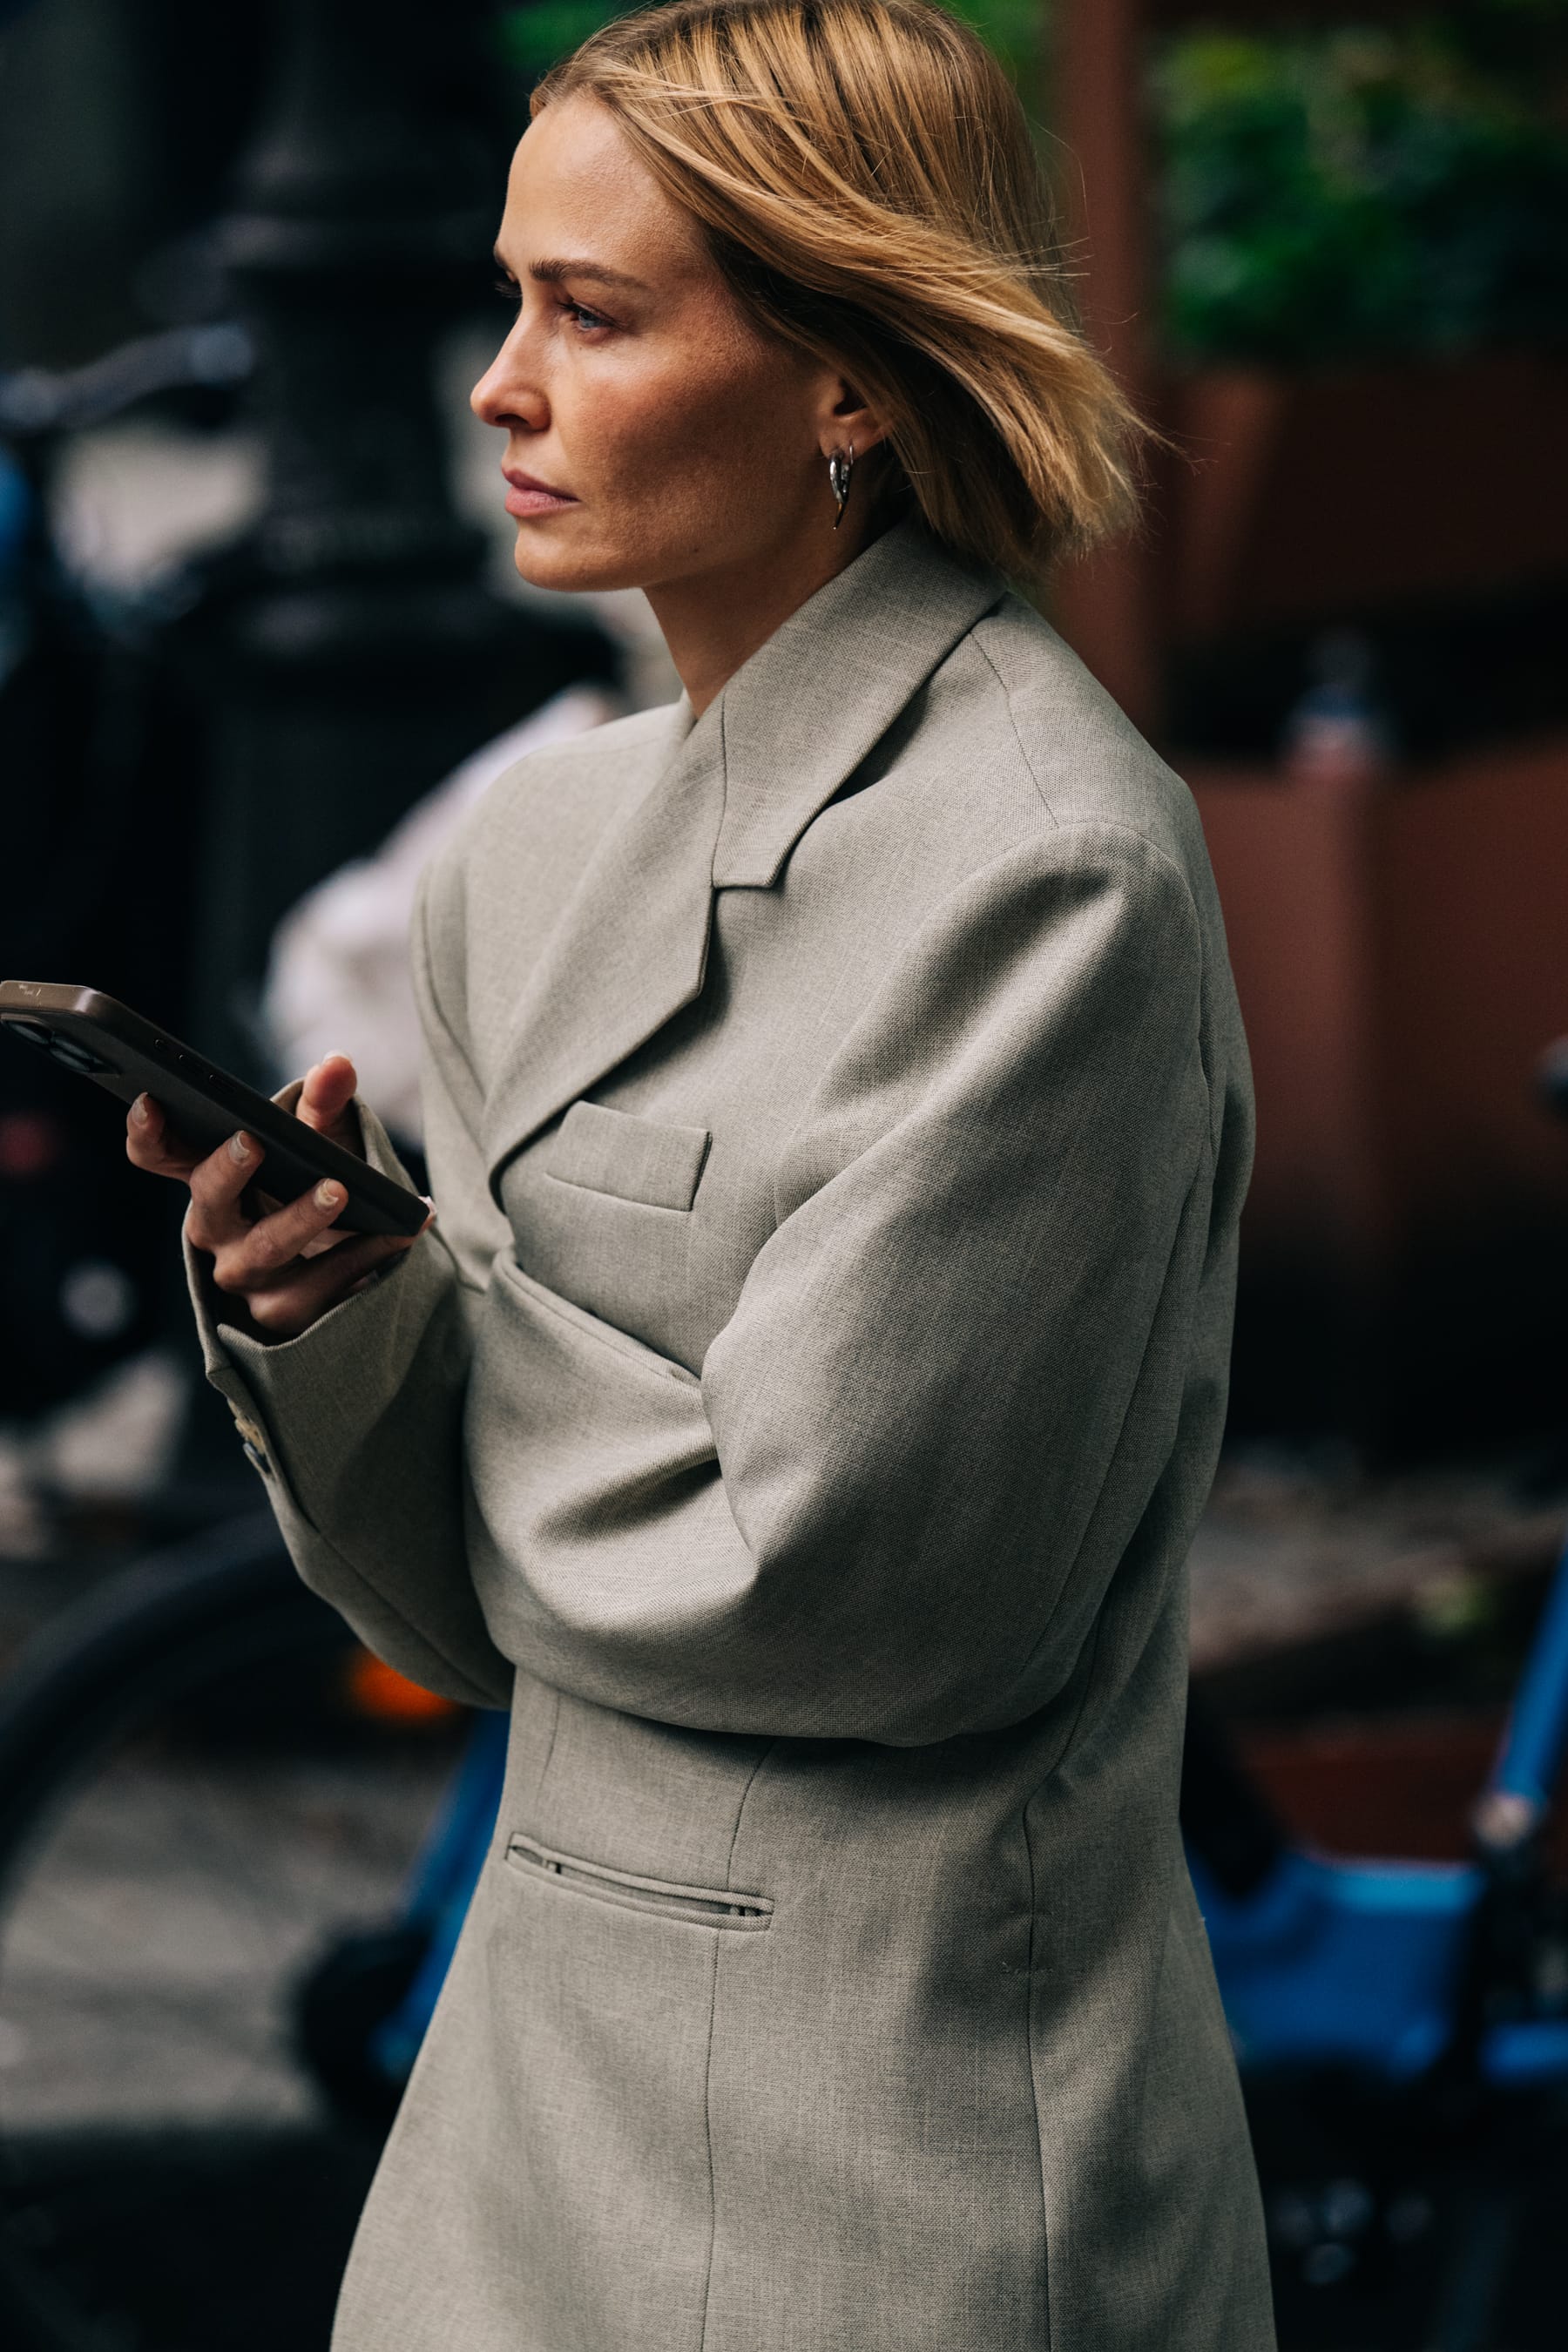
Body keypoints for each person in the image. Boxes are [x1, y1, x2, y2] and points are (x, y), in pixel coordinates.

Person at [126, 3, 1272, 2344]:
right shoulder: (523, 851)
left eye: (597, 313)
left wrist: (479, 1357)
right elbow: (462, 1627)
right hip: (515, 2108)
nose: (497, 386)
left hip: (886, 2157)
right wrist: (338, 1316)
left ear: (849, 373)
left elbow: (855, 1591)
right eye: (511, 298)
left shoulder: (1048, 873)